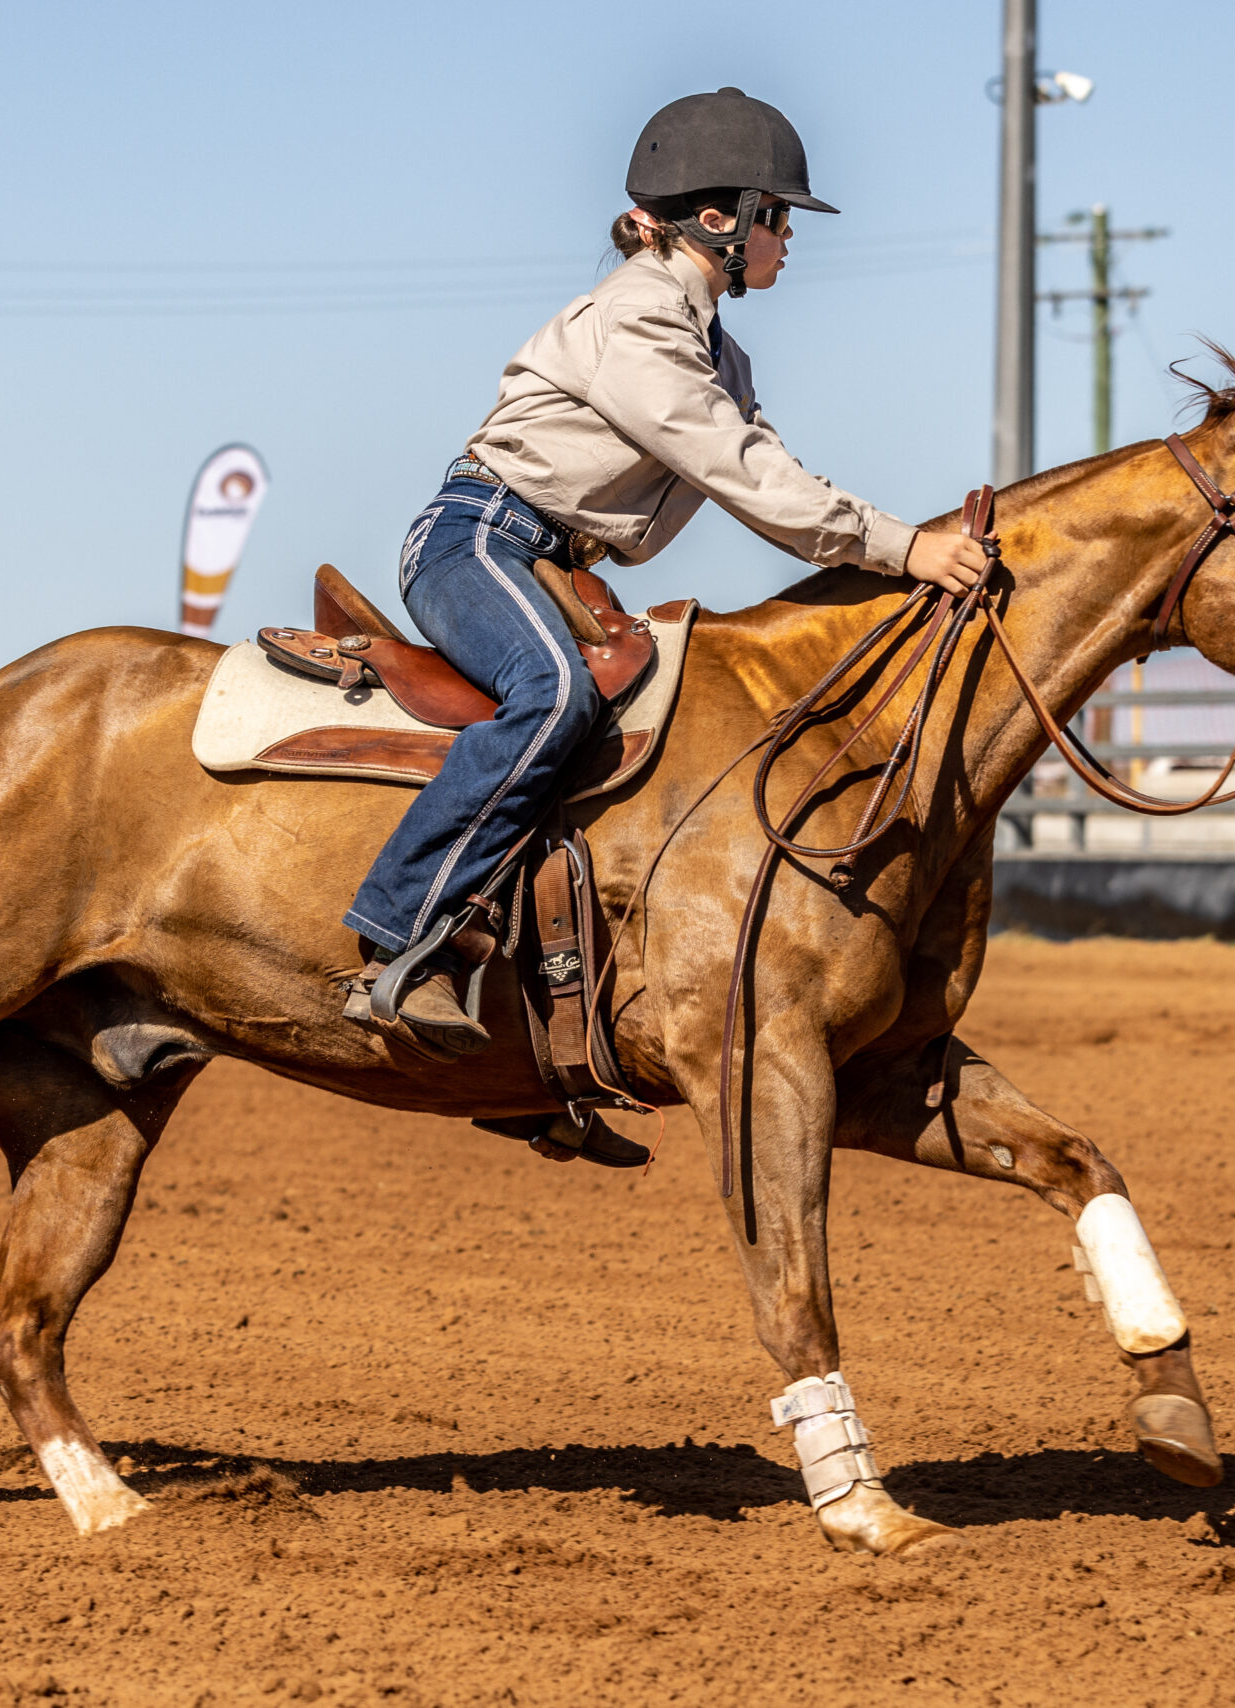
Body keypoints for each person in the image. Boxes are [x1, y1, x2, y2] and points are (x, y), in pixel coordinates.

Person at [342, 88, 988, 1059]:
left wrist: (893, 548)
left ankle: (545, 1024)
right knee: (552, 694)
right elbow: (750, 478)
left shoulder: (720, 353)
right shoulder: (639, 319)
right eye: (777, 216)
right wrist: (907, 548)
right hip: (478, 539)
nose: (786, 238)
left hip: (559, 566)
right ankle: (398, 939)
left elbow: (776, 470)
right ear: (717, 221)